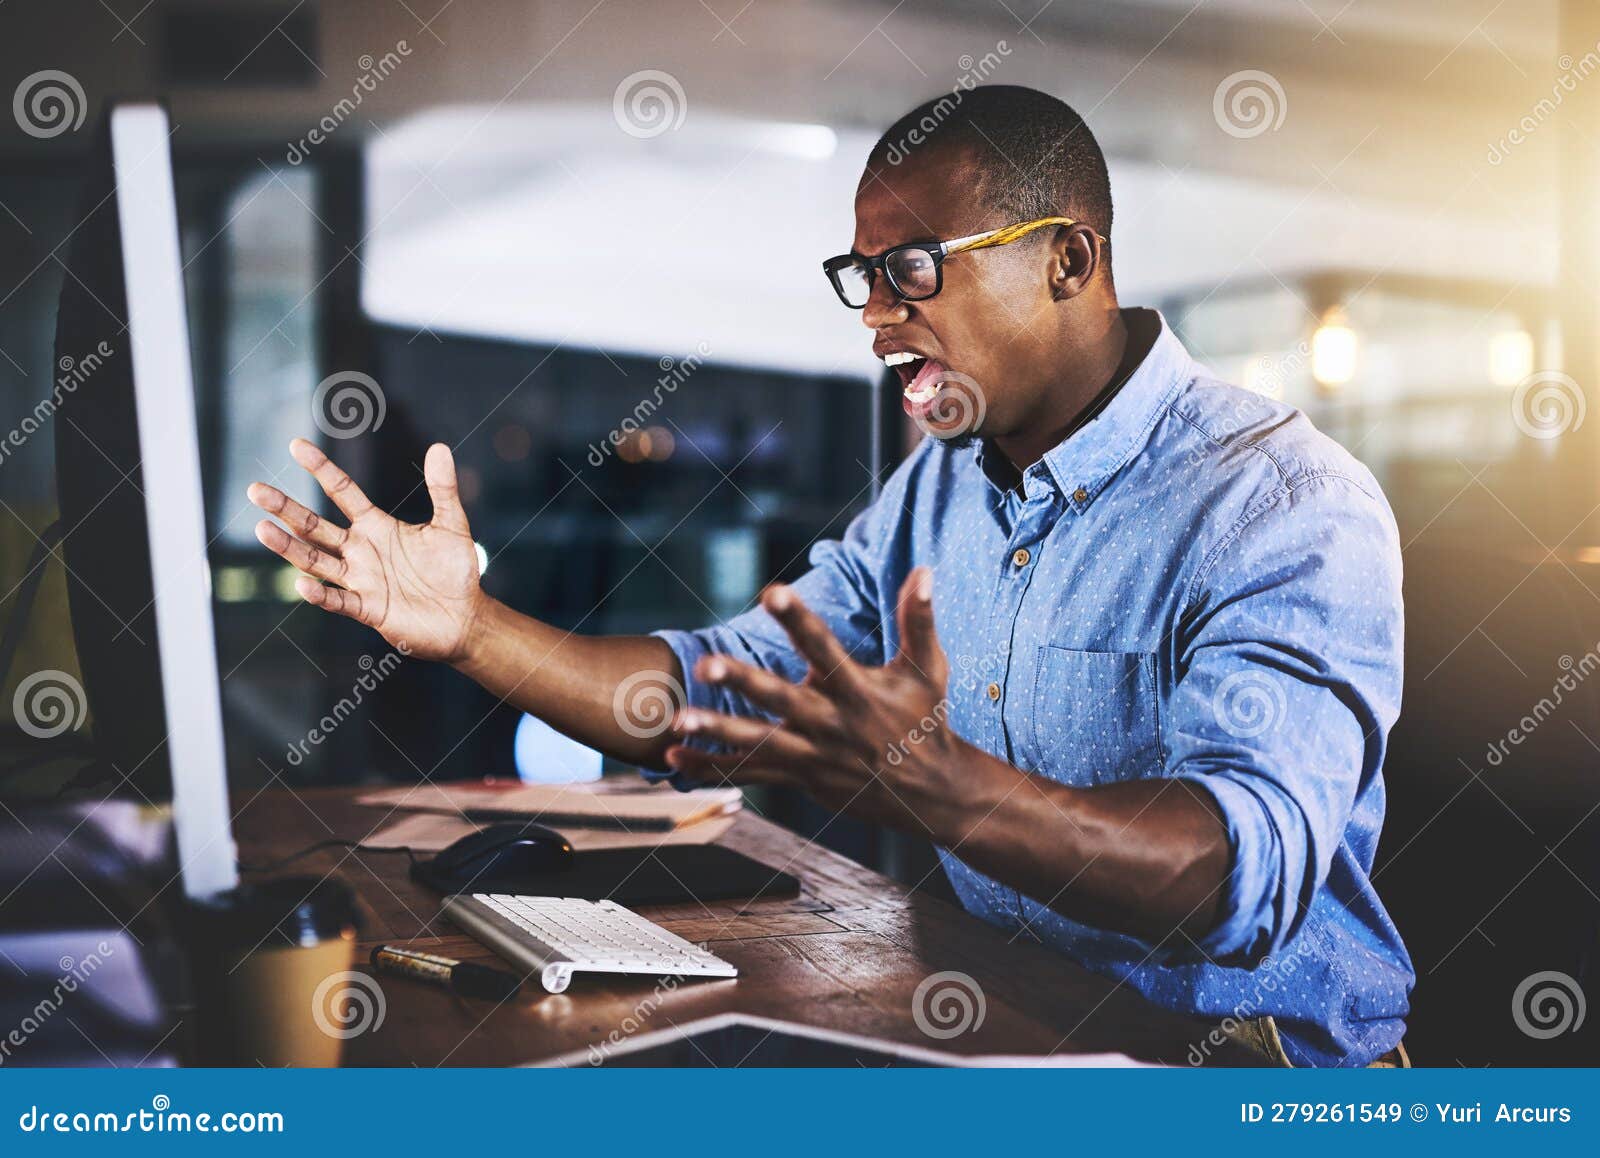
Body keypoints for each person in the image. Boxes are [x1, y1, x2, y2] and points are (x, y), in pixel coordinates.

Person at [249, 85, 1412, 1066]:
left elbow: (1237, 876)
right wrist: (470, 628)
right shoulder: (939, 488)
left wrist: (940, 786)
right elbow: (711, 688)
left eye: (912, 269)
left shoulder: (1280, 503)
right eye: (863, 278)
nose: (879, 320)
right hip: (1022, 1036)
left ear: (1067, 260)